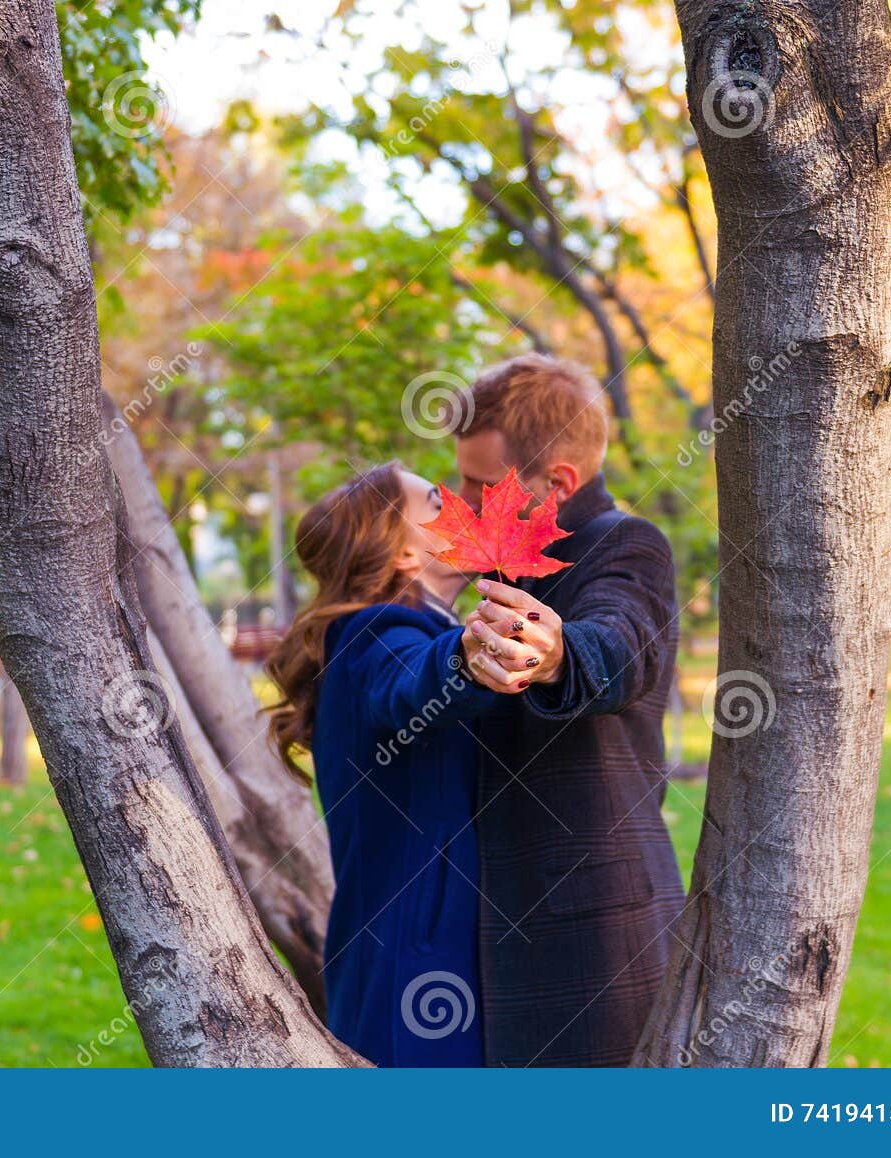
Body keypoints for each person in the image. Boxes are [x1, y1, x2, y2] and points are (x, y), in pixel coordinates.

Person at [453, 353, 686, 1067]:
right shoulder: (503, 567)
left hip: (589, 932)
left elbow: (620, 644)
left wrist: (554, 654)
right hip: (497, 918)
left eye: (482, 485)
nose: (462, 501)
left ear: (557, 483)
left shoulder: (626, 544)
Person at [265, 461, 531, 1067]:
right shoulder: (375, 634)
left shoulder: (396, 631)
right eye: (435, 501)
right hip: (415, 971)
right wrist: (467, 657)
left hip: (412, 957)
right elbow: (412, 682)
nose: (459, 505)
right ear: (406, 556)